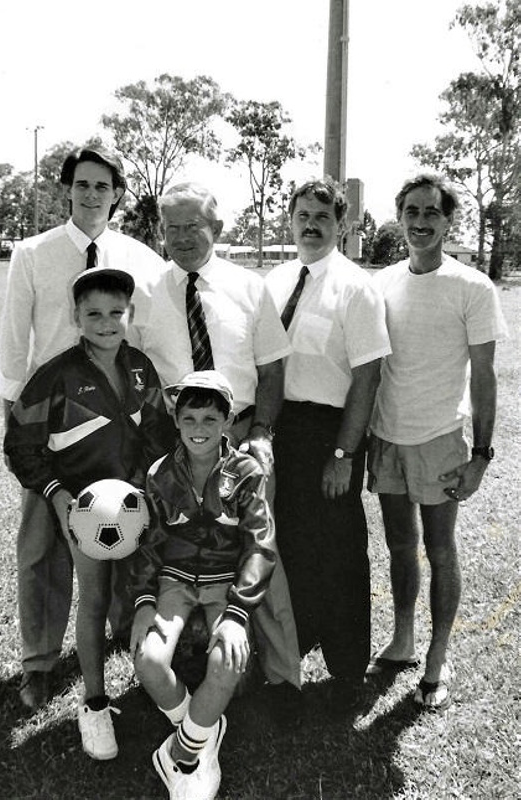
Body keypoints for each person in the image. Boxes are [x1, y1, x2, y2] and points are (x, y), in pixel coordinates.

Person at [0, 145, 166, 711]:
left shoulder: (140, 257)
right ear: (67, 189)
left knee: (122, 532)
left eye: (104, 185)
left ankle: (119, 632)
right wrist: (12, 414)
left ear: (118, 192)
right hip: (53, 428)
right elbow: (15, 340)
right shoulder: (32, 253)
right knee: (44, 549)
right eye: (83, 184)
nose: (93, 194)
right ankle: (39, 661)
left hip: (114, 426)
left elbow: (143, 341)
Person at [134, 182, 301, 692]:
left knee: (258, 548)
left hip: (242, 438)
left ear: (218, 229)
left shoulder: (250, 287)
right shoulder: (145, 291)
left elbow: (272, 370)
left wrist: (263, 434)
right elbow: (137, 369)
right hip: (175, 440)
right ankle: (172, 658)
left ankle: (281, 676)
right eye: (172, 228)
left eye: (193, 226)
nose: (182, 238)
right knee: (176, 551)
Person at [4, 266, 174, 759]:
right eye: (94, 314)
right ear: (76, 317)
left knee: (150, 588)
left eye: (115, 313)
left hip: (137, 504)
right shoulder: (55, 376)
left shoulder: (141, 367)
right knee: (95, 600)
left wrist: (146, 484)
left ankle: (156, 681)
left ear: (130, 315)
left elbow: (159, 432)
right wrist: (57, 495)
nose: (105, 322)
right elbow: (20, 446)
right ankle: (95, 703)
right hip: (86, 513)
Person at [366, 173, 508, 710]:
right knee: (400, 547)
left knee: (439, 548)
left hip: (440, 439)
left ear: (448, 221)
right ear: (399, 217)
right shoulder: (382, 283)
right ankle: (403, 640)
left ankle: (437, 656)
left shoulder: (472, 287)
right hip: (387, 438)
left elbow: (485, 376)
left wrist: (481, 455)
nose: (421, 222)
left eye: (432, 212)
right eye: (412, 211)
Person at [265, 177, 391, 712]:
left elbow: (367, 379)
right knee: (288, 550)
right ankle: (288, 665)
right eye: (302, 216)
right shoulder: (274, 280)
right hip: (283, 431)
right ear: (290, 222)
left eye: (323, 216)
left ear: (342, 225)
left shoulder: (356, 286)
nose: (311, 225)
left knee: (339, 555)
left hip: (332, 433)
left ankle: (346, 674)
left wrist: (343, 455)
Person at [130, 370, 277, 799]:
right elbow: (147, 546)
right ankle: (203, 736)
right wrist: (143, 603)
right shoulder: (159, 474)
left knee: (228, 660)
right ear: (175, 420)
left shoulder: (246, 472)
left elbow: (260, 544)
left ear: (229, 421)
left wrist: (236, 614)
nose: (199, 429)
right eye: (189, 419)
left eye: (210, 419)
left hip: (225, 583)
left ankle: (180, 753)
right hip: (175, 582)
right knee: (148, 660)